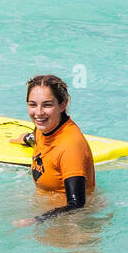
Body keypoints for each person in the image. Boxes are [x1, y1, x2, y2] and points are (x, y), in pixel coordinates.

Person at [10, 74, 96, 224]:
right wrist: (23, 139)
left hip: (71, 223)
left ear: (62, 105)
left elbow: (77, 205)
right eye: (32, 104)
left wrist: (36, 220)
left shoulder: (70, 147)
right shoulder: (44, 129)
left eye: (47, 105)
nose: (38, 113)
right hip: (49, 210)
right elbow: (37, 138)